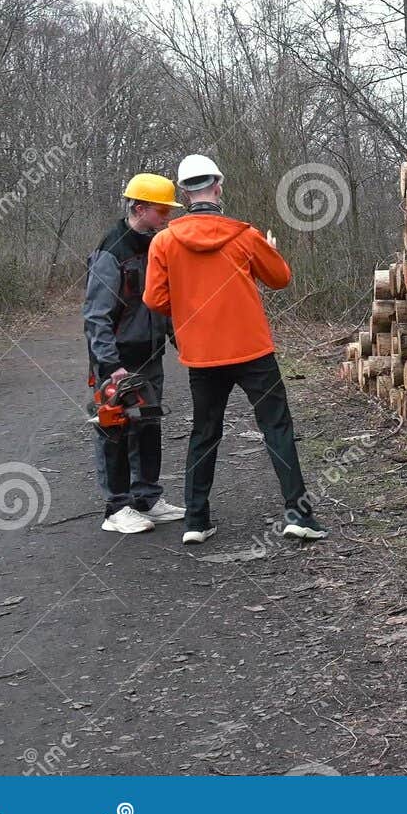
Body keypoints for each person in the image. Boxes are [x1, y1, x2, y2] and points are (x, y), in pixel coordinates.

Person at [142, 154, 326, 546]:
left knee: (204, 433)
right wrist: (270, 250)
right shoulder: (244, 235)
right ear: (218, 187)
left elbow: (155, 300)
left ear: (183, 194)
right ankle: (299, 516)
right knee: (276, 429)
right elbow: (280, 278)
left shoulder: (164, 241)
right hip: (252, 350)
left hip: (202, 355)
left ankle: (195, 521)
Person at [83, 173, 187, 534]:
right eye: (162, 211)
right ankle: (117, 508)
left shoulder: (158, 246)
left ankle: (146, 498)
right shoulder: (111, 252)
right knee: (115, 428)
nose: (168, 217)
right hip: (118, 360)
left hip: (149, 355)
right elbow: (96, 316)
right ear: (139, 208)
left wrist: (179, 340)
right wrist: (109, 365)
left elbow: (165, 302)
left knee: (148, 425)